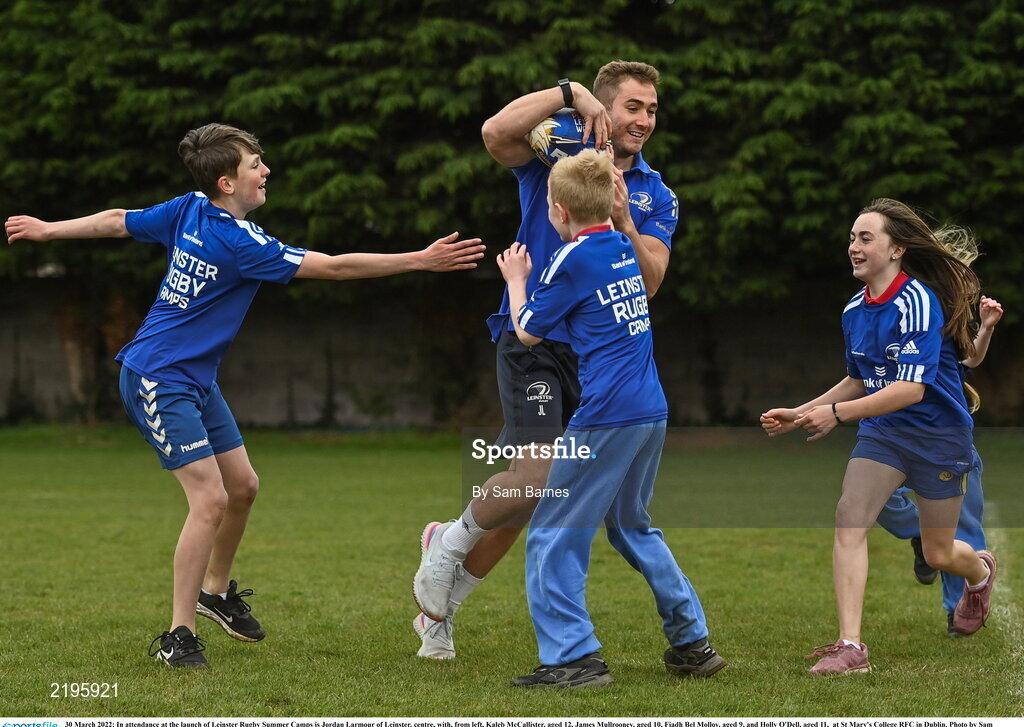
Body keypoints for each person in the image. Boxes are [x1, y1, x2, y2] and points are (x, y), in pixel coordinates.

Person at [5, 122, 485, 668]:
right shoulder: (235, 239)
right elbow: (331, 267)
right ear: (227, 183)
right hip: (156, 378)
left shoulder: (193, 209)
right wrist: (417, 260)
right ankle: (178, 636)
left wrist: (49, 230)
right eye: (256, 164)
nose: (266, 171)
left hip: (194, 381)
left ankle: (215, 592)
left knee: (244, 487)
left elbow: (118, 220)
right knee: (209, 499)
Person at [412, 60, 677, 660]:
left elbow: (653, 279)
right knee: (536, 482)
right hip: (530, 343)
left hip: (597, 360)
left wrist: (625, 221)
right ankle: (448, 544)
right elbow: (493, 133)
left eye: (652, 110)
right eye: (632, 107)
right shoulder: (555, 149)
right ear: (603, 111)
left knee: (534, 494)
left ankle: (440, 607)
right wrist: (568, 92)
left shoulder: (657, 193)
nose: (644, 120)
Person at [494, 148, 723, 687]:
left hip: (606, 415)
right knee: (632, 526)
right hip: (650, 410)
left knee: (551, 531)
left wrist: (515, 276)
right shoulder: (624, 245)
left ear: (558, 211)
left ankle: (573, 658)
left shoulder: (569, 260)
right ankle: (692, 640)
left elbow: (527, 329)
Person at [760, 198, 996, 675]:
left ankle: (980, 573)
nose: (854, 246)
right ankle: (852, 648)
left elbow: (910, 389)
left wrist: (835, 414)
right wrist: (802, 412)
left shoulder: (917, 301)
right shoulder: (853, 309)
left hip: (940, 438)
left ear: (897, 250)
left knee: (939, 551)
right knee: (850, 518)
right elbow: (858, 378)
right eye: (852, 238)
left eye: (866, 238)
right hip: (885, 435)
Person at [876, 295, 1002, 636]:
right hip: (900, 444)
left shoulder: (940, 327)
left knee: (965, 529)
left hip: (950, 448)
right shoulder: (891, 330)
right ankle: (918, 533)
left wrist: (986, 326)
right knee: (878, 500)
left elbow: (970, 357)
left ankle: (958, 609)